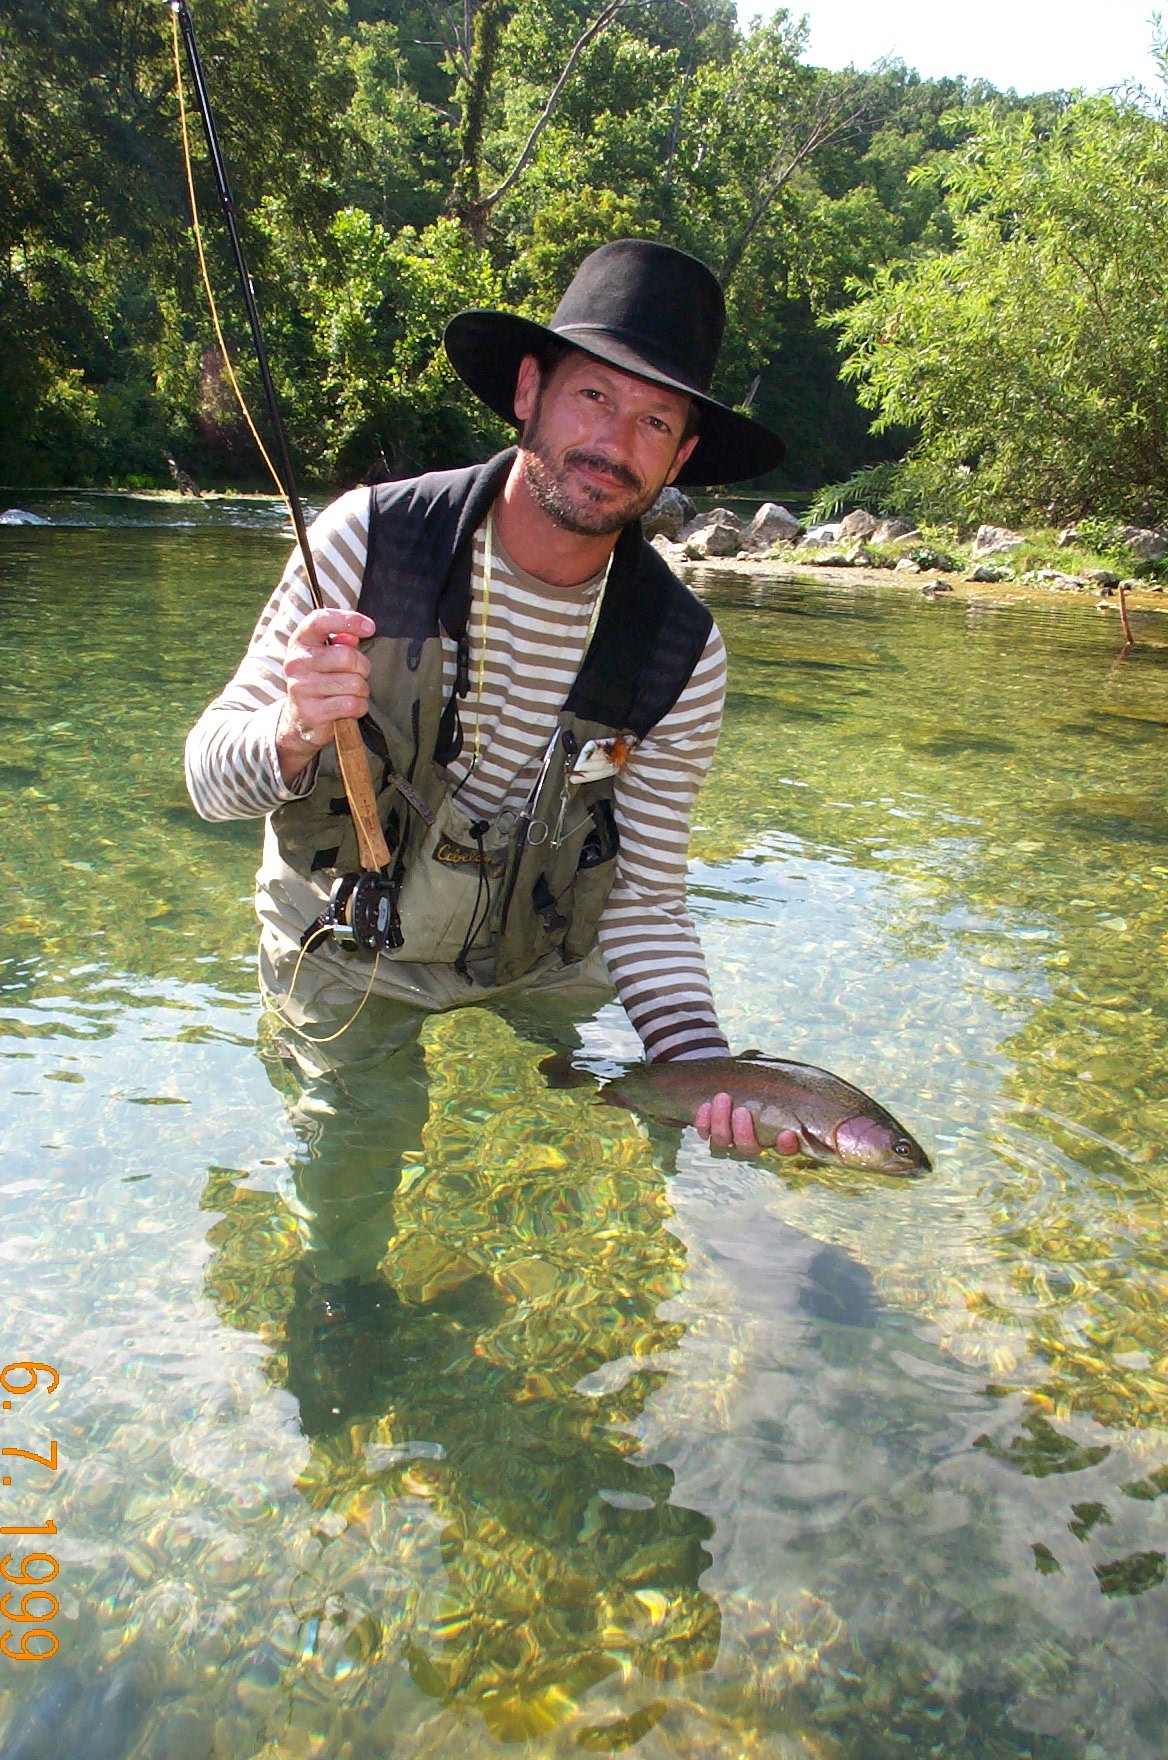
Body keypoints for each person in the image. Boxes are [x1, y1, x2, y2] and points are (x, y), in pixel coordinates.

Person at [185, 239, 788, 1152]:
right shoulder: (369, 541)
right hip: (343, 943)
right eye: (593, 396)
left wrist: (705, 1072)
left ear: (681, 456)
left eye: (654, 422)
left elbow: (645, 902)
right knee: (352, 1160)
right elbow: (207, 782)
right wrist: (293, 728)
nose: (614, 444)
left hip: (536, 958)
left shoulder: (682, 653)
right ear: (528, 391)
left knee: (586, 1164)